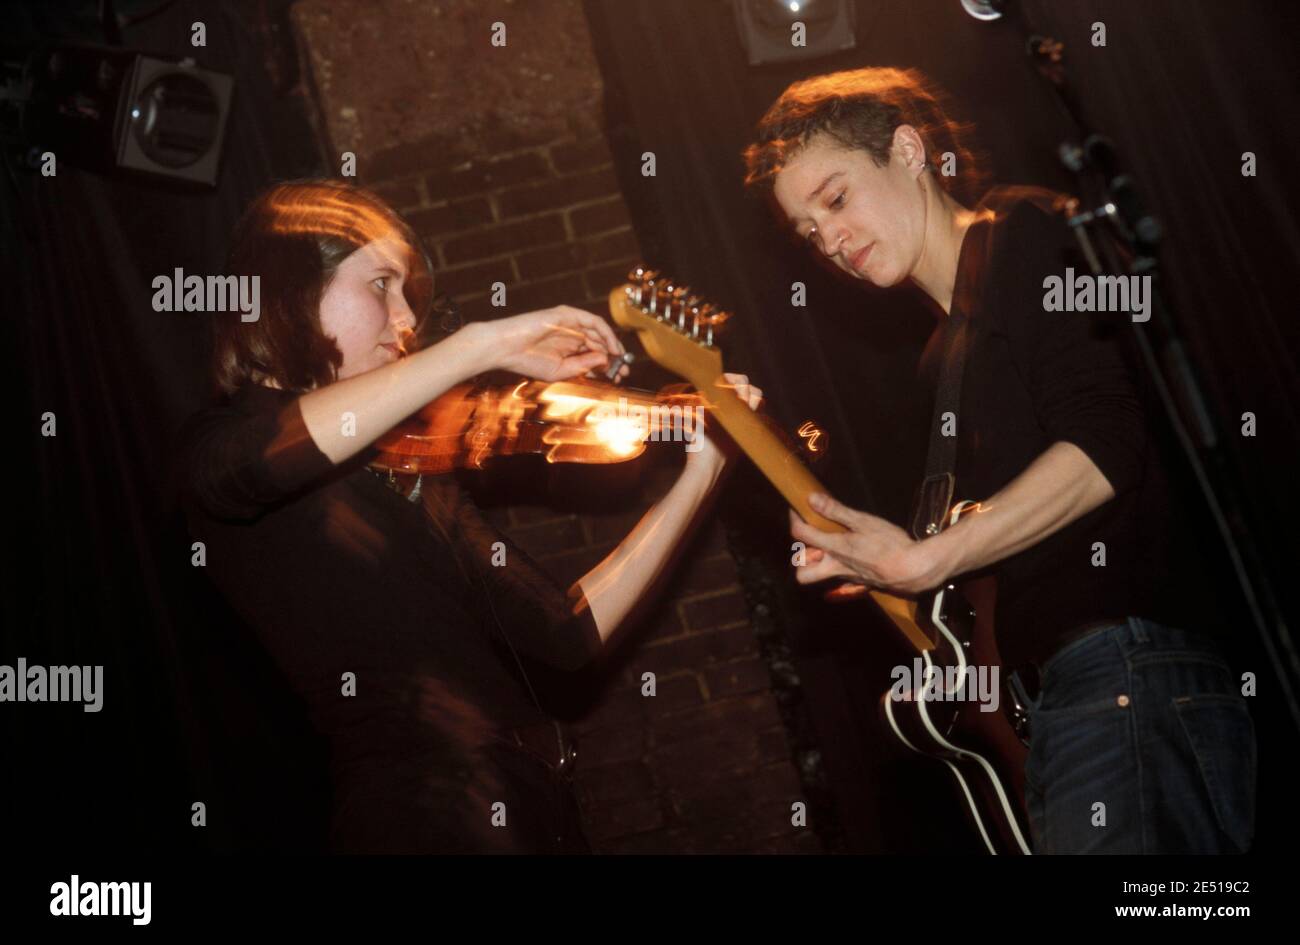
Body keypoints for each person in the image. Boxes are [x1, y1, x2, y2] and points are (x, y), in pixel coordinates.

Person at [742, 68, 1255, 854]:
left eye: (836, 199)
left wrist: (924, 559)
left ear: (909, 150)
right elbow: (988, 558)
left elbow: (1105, 446)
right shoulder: (940, 356)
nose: (830, 241)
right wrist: (880, 558)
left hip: (1126, 672)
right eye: (809, 232)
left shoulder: (1025, 232)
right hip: (1059, 702)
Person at [178, 179, 761, 853]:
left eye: (409, 296)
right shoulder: (219, 443)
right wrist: (481, 344)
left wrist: (701, 473)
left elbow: (565, 632)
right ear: (290, 290)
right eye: (380, 285)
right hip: (422, 815)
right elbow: (251, 465)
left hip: (530, 805)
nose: (405, 320)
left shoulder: (411, 469)